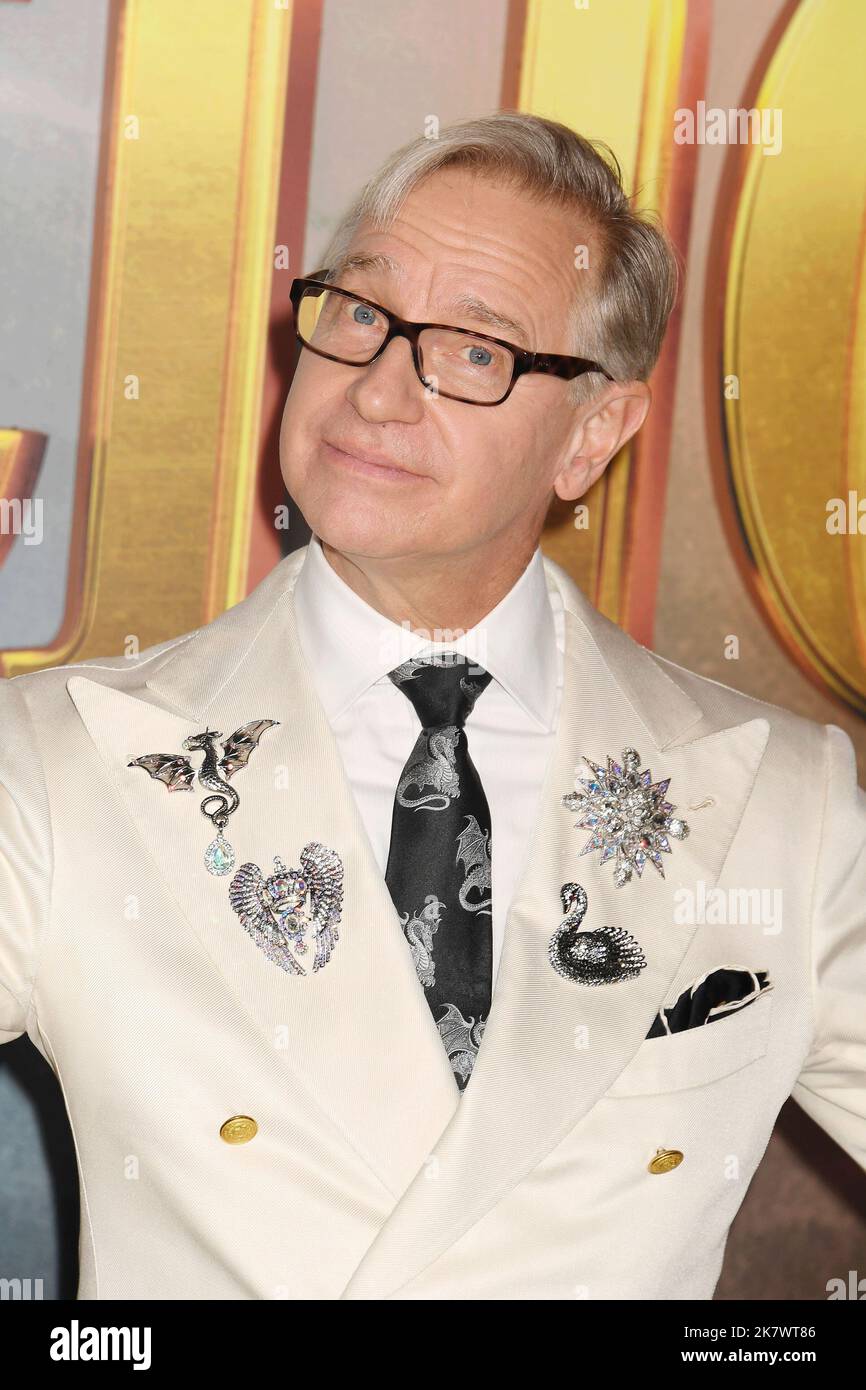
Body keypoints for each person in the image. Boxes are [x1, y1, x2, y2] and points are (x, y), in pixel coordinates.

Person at [1, 113, 863, 1301]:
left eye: (471, 352)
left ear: (594, 431)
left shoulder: (784, 801)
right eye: (359, 314)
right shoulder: (54, 761)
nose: (376, 392)